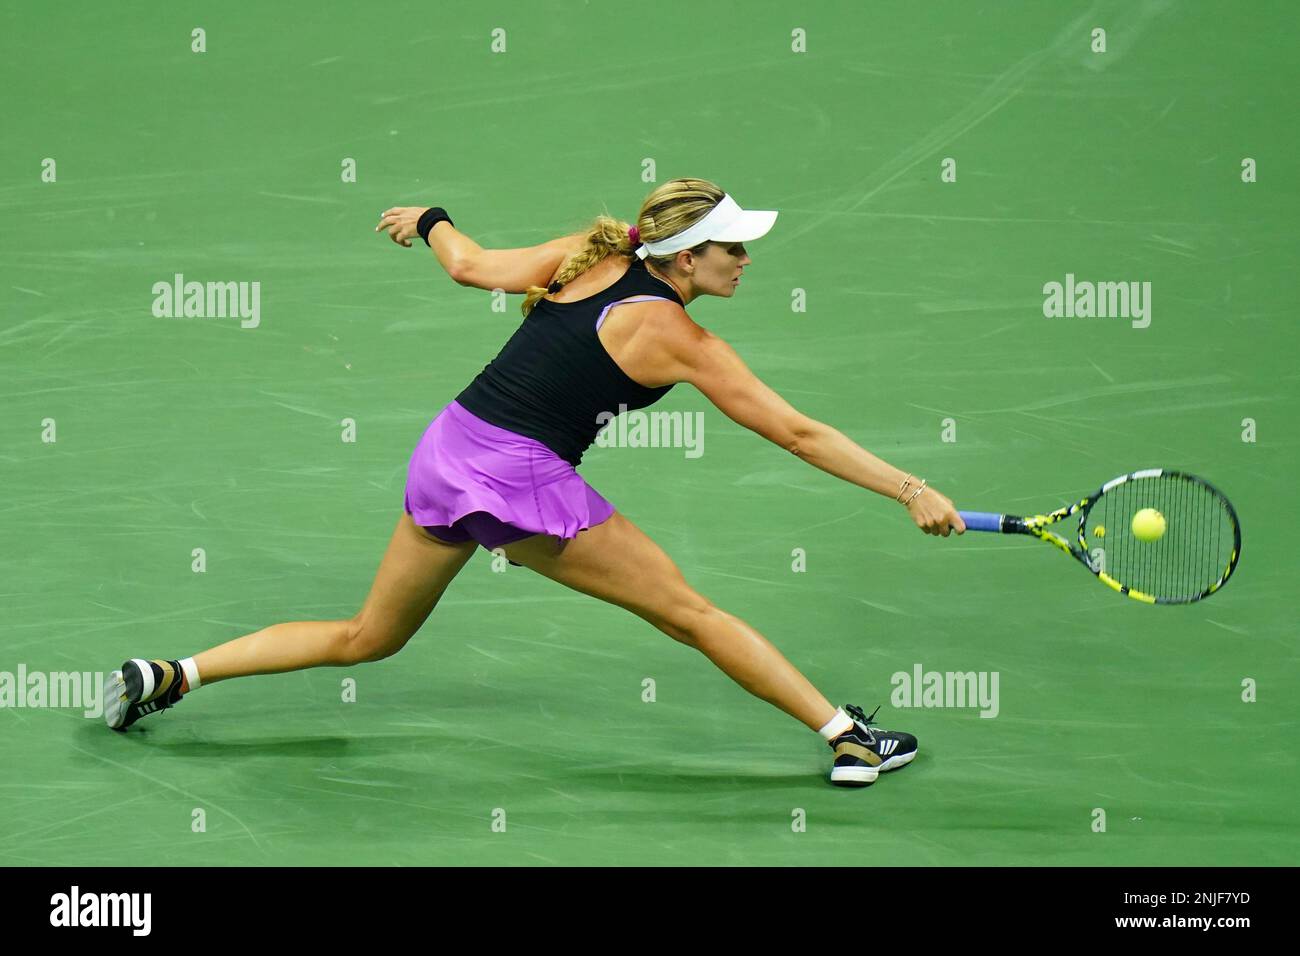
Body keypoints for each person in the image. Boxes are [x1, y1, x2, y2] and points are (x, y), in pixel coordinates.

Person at [103, 177, 965, 788]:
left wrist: (430, 216)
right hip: (518, 484)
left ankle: (175, 674)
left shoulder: (581, 256)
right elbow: (797, 431)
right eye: (732, 247)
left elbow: (468, 265)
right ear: (686, 255)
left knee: (369, 636)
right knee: (689, 613)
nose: (746, 259)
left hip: (447, 450)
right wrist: (909, 488)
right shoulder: (678, 338)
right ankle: (850, 740)